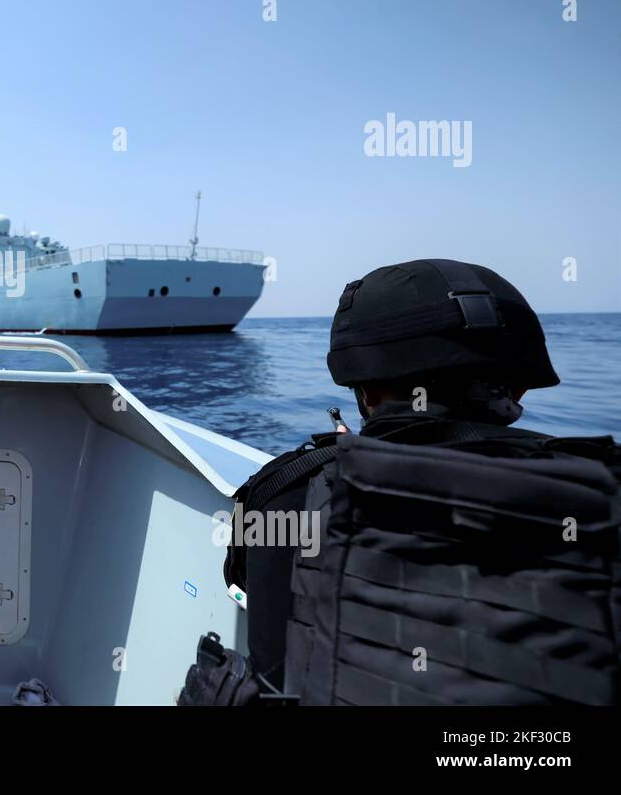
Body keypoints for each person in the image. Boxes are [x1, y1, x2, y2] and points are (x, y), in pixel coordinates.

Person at [182, 259, 619, 706]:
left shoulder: (290, 493)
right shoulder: (605, 493)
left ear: (365, 392)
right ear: (520, 390)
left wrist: (340, 466)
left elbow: (267, 646)